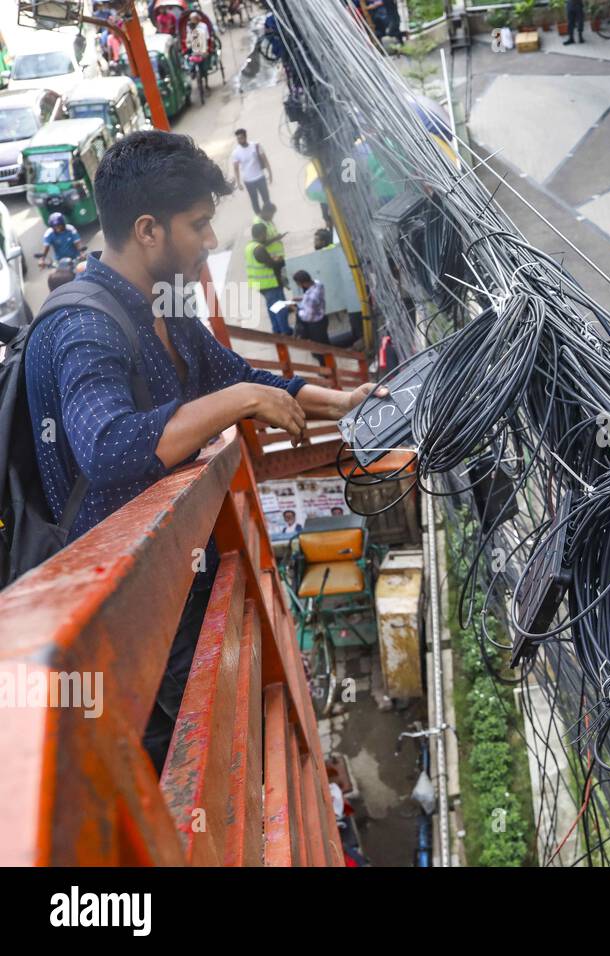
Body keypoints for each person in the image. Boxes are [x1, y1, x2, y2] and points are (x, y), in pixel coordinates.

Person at [23, 130, 385, 773]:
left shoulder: (163, 306)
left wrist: (341, 400)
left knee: (233, 722)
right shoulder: (82, 327)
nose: (212, 243)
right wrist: (241, 399)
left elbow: (229, 372)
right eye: (199, 226)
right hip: (124, 609)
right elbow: (107, 446)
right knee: (186, 760)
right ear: (147, 231)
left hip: (182, 569)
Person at [247, 222, 289, 333]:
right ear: (261, 234)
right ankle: (285, 331)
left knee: (272, 308)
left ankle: (277, 330)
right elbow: (272, 264)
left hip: (260, 284)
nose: (266, 236)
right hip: (270, 284)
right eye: (265, 233)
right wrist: (280, 260)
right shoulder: (259, 249)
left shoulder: (250, 247)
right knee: (280, 308)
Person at [288, 269, 328, 362]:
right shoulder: (318, 284)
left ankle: (325, 369)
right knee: (325, 343)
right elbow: (309, 297)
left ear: (302, 283)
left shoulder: (311, 298)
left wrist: (294, 309)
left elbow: (306, 316)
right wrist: (301, 298)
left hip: (315, 324)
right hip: (322, 318)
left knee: (319, 348)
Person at [231, 128, 273, 215]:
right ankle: (259, 219)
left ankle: (268, 218)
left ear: (245, 137)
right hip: (249, 181)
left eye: (241, 138)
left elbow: (265, 160)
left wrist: (270, 174)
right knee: (254, 201)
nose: (240, 140)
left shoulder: (256, 146)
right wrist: (238, 182)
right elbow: (236, 168)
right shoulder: (236, 152)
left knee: (266, 199)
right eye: (238, 138)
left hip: (260, 177)